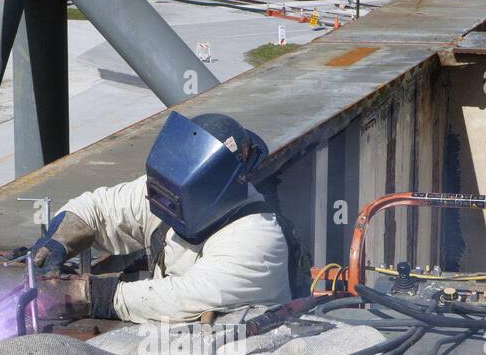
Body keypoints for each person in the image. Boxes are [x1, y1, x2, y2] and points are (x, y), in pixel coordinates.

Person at [29, 111, 292, 323]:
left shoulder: (256, 238)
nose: (160, 202)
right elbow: (101, 208)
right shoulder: (173, 192)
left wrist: (95, 295)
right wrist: (60, 239)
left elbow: (185, 297)